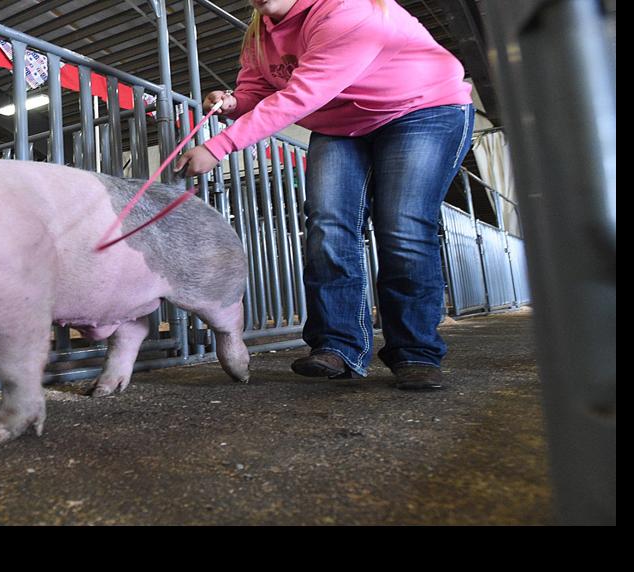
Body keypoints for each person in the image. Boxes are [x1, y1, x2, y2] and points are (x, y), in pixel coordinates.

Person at [175, 0, 474, 390]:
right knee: (327, 224)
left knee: (401, 226)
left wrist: (219, 147)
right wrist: (232, 102)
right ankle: (339, 345)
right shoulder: (260, 32)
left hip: (422, 110)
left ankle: (415, 352)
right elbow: (258, 88)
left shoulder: (348, 11)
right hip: (341, 124)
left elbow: (303, 93)